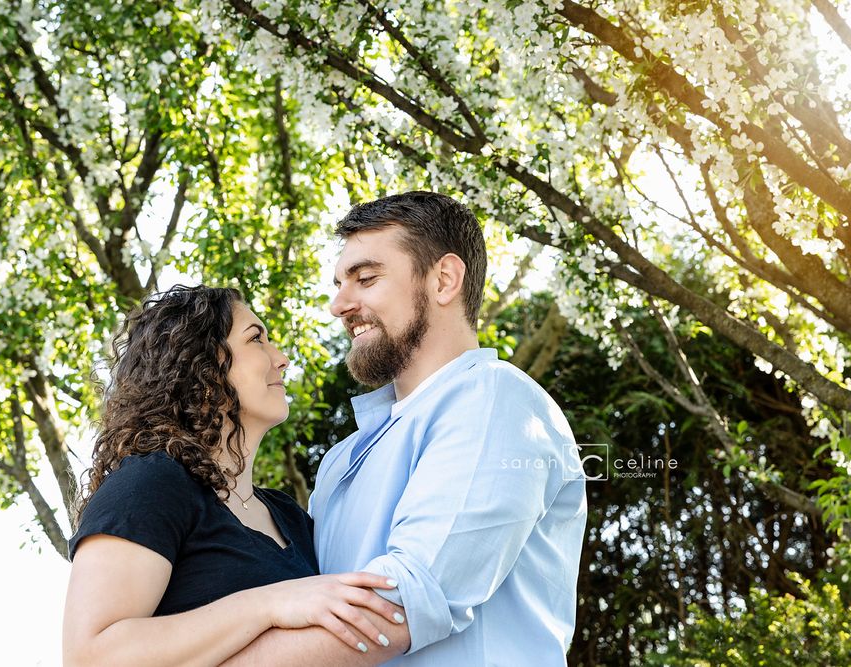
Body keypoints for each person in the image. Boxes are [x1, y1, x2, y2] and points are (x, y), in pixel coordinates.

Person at [222, 191, 588, 666]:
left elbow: (402, 603)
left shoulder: (494, 400)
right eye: (339, 283)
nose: (339, 304)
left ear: (443, 280)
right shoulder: (342, 459)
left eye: (366, 279)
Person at [62, 286, 409, 667]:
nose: (282, 359)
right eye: (256, 339)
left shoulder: (289, 515)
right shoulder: (151, 483)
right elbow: (90, 656)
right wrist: (268, 604)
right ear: (200, 366)